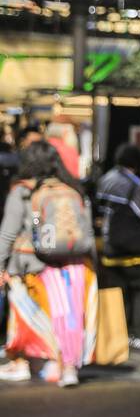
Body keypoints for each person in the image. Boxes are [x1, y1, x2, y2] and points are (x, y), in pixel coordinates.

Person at [0, 141, 97, 387]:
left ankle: (25, 362)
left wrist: (1, 267)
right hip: (75, 265)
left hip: (34, 267)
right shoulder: (73, 190)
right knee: (68, 318)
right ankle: (68, 367)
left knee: (30, 319)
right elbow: (87, 231)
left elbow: (7, 234)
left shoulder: (23, 191)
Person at [97, 144, 140, 350]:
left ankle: (117, 335)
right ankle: (139, 334)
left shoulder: (106, 179)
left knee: (118, 292)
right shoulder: (133, 185)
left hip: (109, 246)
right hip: (133, 249)